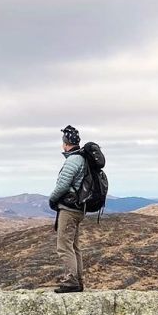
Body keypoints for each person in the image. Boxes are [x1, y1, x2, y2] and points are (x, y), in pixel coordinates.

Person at [48, 125, 87, 293]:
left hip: (69, 209)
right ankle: (78, 281)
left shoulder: (73, 160)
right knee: (74, 246)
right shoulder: (83, 158)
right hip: (80, 209)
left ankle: (71, 281)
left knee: (64, 246)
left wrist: (52, 199)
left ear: (66, 143)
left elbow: (63, 185)